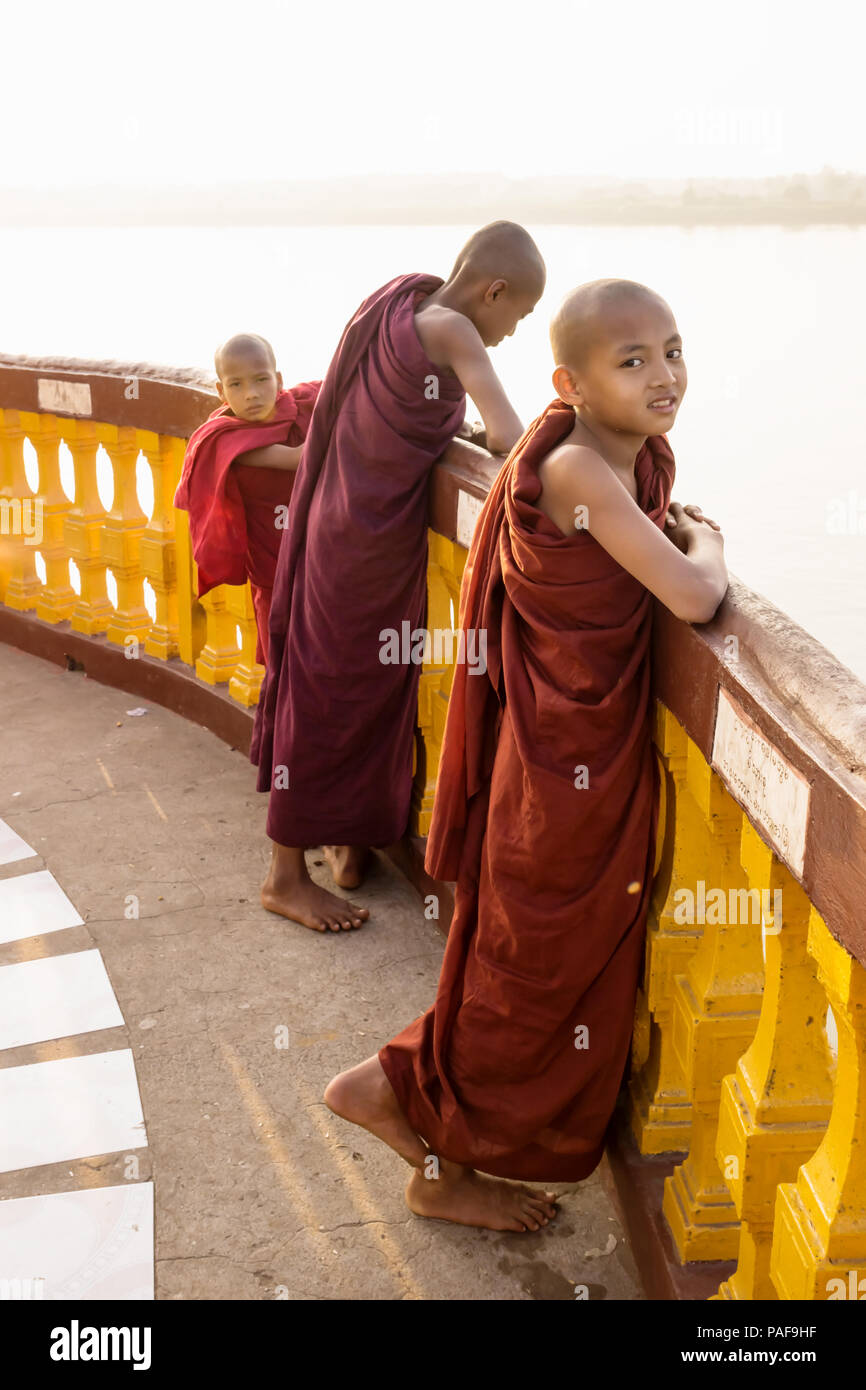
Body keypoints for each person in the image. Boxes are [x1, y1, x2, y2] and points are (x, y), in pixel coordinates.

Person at [323, 279, 728, 1232]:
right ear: (570, 382)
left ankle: (424, 1132)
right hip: (559, 770)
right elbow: (696, 599)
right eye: (633, 362)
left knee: (535, 963)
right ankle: (403, 1106)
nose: (664, 375)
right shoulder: (583, 467)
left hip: (570, 759)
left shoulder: (615, 453)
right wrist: (705, 541)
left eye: (673, 350)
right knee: (530, 968)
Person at [250, 222, 546, 934]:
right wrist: (604, 467)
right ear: (494, 290)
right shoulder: (454, 329)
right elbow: (511, 433)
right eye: (520, 316)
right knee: (329, 696)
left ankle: (346, 840)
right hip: (358, 544)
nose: (512, 333)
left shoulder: (398, 303)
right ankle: (285, 878)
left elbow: (402, 417)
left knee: (365, 693)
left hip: (345, 525)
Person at [174, 333, 320, 664]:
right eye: (236, 385)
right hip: (274, 574)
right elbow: (300, 458)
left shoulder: (298, 406)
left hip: (321, 561)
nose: (251, 394)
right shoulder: (226, 441)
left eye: (261, 379)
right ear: (220, 392)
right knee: (286, 664)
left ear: (279, 380)